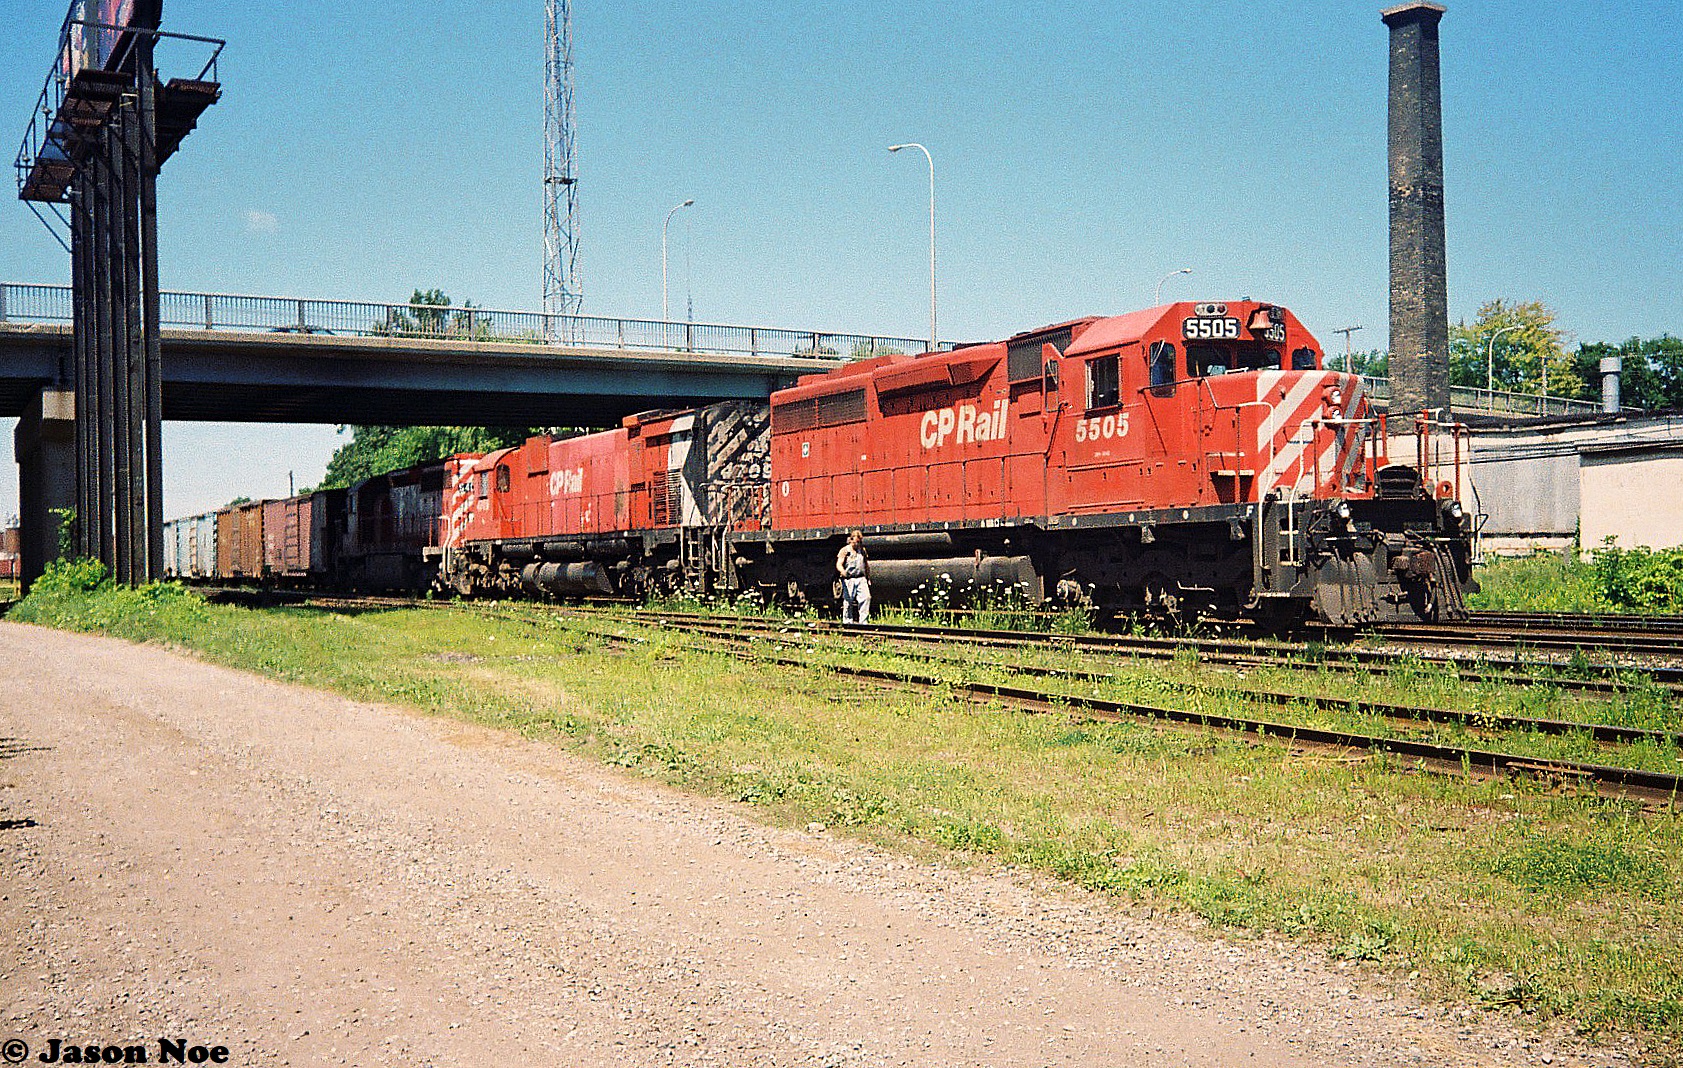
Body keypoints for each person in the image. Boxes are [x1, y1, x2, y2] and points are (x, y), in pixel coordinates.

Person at [836, 530, 871, 624]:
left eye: (859, 542)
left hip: (861, 578)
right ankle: (847, 621)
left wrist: (868, 577)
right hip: (849, 579)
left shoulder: (862, 551)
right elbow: (839, 564)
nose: (858, 544)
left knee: (866, 598)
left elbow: (866, 564)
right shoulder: (845, 551)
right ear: (851, 540)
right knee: (848, 601)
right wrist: (843, 572)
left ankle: (864, 622)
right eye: (856, 542)